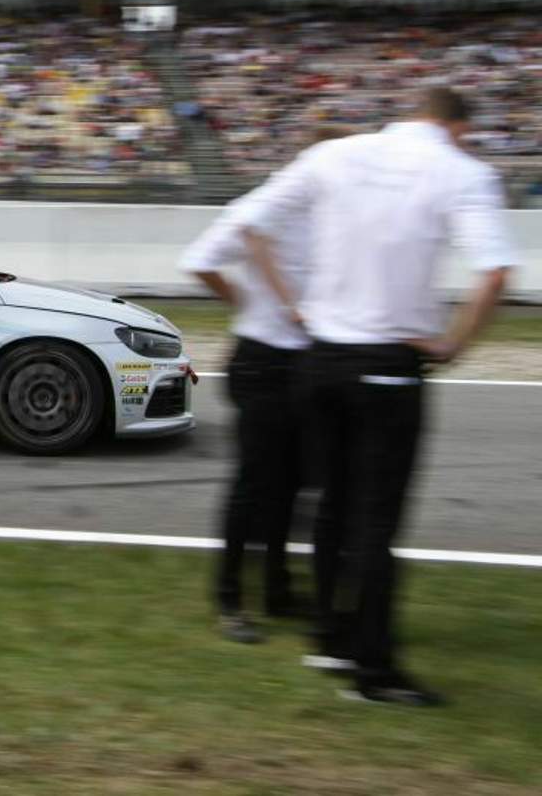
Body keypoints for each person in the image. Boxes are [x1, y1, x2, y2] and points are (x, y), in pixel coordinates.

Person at [236, 88, 516, 706]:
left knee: (334, 508)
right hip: (387, 364)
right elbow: (496, 270)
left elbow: (251, 225)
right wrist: (453, 344)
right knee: (374, 522)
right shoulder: (461, 170)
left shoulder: (334, 154)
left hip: (320, 359)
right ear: (455, 126)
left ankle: (331, 639)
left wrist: (295, 307)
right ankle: (374, 671)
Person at [179, 127, 351, 644]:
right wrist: (249, 305)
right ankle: (230, 599)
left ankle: (277, 589)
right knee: (254, 486)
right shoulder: (264, 204)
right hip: (262, 363)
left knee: (296, 485)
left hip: (308, 363)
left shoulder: (333, 214)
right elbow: (199, 260)